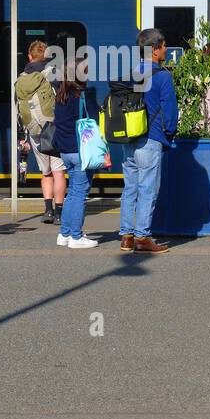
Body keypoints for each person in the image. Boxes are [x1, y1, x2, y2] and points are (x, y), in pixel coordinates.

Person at [119, 28, 179, 254]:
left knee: (130, 188)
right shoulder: (162, 76)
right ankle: (143, 237)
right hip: (151, 138)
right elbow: (170, 110)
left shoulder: (132, 73)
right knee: (148, 189)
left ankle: (126, 236)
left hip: (129, 139)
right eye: (163, 46)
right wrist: (169, 133)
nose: (166, 50)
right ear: (155, 50)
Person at [51, 60, 110, 248]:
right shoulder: (82, 97)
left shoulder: (61, 96)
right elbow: (95, 122)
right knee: (79, 194)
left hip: (65, 151)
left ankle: (65, 233)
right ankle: (76, 236)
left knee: (73, 193)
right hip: (81, 152)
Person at [15, 40, 66, 223]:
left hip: (34, 130)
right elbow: (63, 100)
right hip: (54, 128)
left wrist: (23, 137)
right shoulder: (54, 74)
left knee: (46, 173)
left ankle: (48, 211)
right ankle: (59, 212)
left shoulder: (21, 78)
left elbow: (18, 109)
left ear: (29, 57)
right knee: (58, 171)